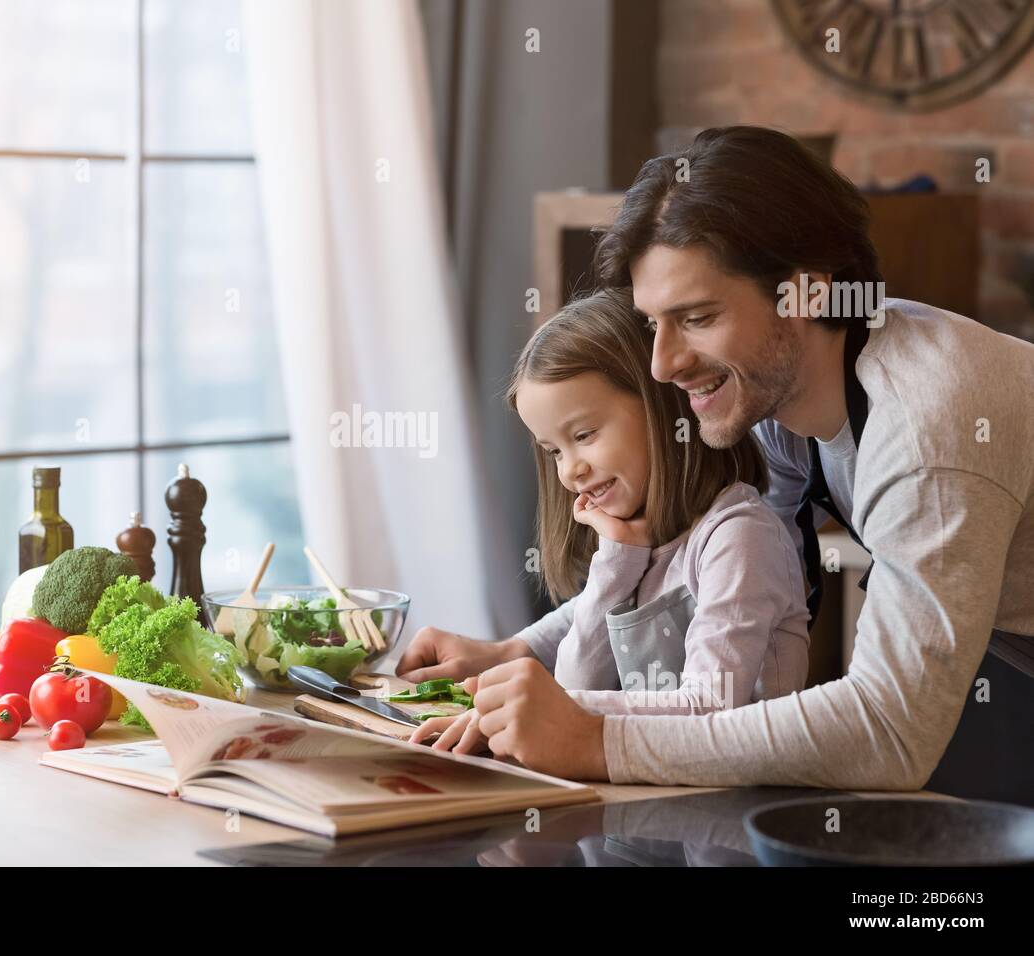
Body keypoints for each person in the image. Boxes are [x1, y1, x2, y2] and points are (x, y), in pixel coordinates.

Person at [399, 126, 1034, 797]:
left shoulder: (926, 434)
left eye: (697, 318)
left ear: (808, 292)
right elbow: (687, 571)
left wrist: (594, 739)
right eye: (652, 324)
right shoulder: (785, 400)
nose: (662, 364)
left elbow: (888, 732)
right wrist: (517, 654)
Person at [409, 289, 811, 766]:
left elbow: (709, 709)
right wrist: (614, 562)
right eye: (555, 450)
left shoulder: (739, 538)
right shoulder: (646, 543)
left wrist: (550, 709)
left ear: (665, 410)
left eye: (584, 436)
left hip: (736, 813)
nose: (570, 471)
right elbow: (577, 679)